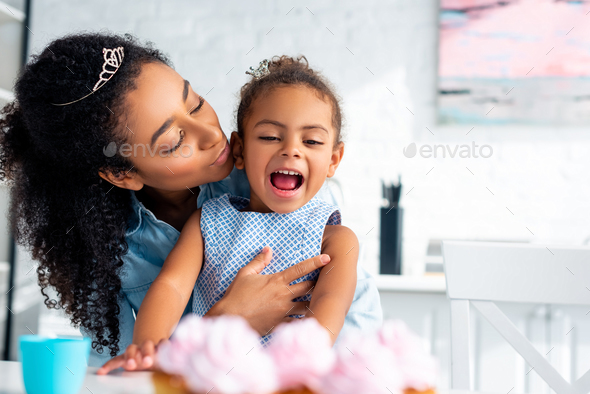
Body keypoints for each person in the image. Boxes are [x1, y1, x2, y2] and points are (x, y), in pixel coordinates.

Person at [0, 32, 382, 370]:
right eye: (173, 142)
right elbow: (130, 368)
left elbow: (350, 314)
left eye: (195, 103)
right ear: (123, 174)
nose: (212, 135)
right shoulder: (112, 248)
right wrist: (225, 322)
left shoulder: (275, 177)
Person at [109, 56, 358, 369]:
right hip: (212, 377)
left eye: (312, 141)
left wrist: (300, 363)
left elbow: (330, 305)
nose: (291, 150)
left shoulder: (336, 239)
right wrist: (149, 347)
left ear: (334, 159)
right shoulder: (207, 222)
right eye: (270, 137)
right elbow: (171, 287)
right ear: (239, 150)